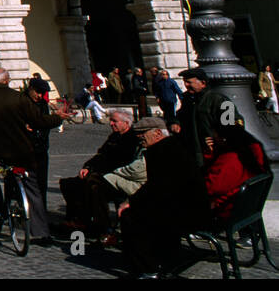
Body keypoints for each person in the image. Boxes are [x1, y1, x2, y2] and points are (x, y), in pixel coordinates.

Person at [117, 116, 209, 277]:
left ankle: (148, 267)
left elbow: (159, 186)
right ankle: (162, 257)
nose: (139, 138)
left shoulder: (162, 151)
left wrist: (132, 202)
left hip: (188, 211)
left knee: (130, 217)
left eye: (142, 134)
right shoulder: (172, 146)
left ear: (158, 133)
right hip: (191, 205)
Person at [0, 66, 51, 243]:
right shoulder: (18, 98)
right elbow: (38, 120)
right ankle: (42, 232)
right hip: (18, 151)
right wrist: (58, 117)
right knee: (32, 187)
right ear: (7, 80)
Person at [59, 109, 139, 237]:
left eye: (114, 121)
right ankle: (76, 219)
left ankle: (103, 227)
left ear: (126, 123)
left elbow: (123, 163)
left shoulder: (132, 139)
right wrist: (88, 167)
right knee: (69, 183)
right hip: (103, 174)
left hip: (118, 177)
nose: (111, 124)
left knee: (94, 186)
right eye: (111, 121)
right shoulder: (114, 136)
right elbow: (101, 155)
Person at [173, 66, 237, 167]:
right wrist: (175, 123)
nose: (186, 85)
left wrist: (219, 139)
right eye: (185, 82)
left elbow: (233, 124)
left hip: (212, 153)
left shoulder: (218, 99)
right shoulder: (187, 99)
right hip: (192, 151)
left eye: (189, 82)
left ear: (203, 83)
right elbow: (180, 115)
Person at [202, 125, 269, 220]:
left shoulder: (229, 159)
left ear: (224, 139)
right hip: (242, 209)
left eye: (214, 135)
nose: (212, 138)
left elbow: (209, 187)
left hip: (223, 212)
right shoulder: (247, 156)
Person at [25, 77, 69, 190]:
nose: (40, 95)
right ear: (30, 89)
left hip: (41, 148)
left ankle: (41, 206)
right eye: (38, 92)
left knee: (41, 183)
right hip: (25, 148)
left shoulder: (43, 104)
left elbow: (44, 123)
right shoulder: (23, 102)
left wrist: (55, 118)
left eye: (42, 93)